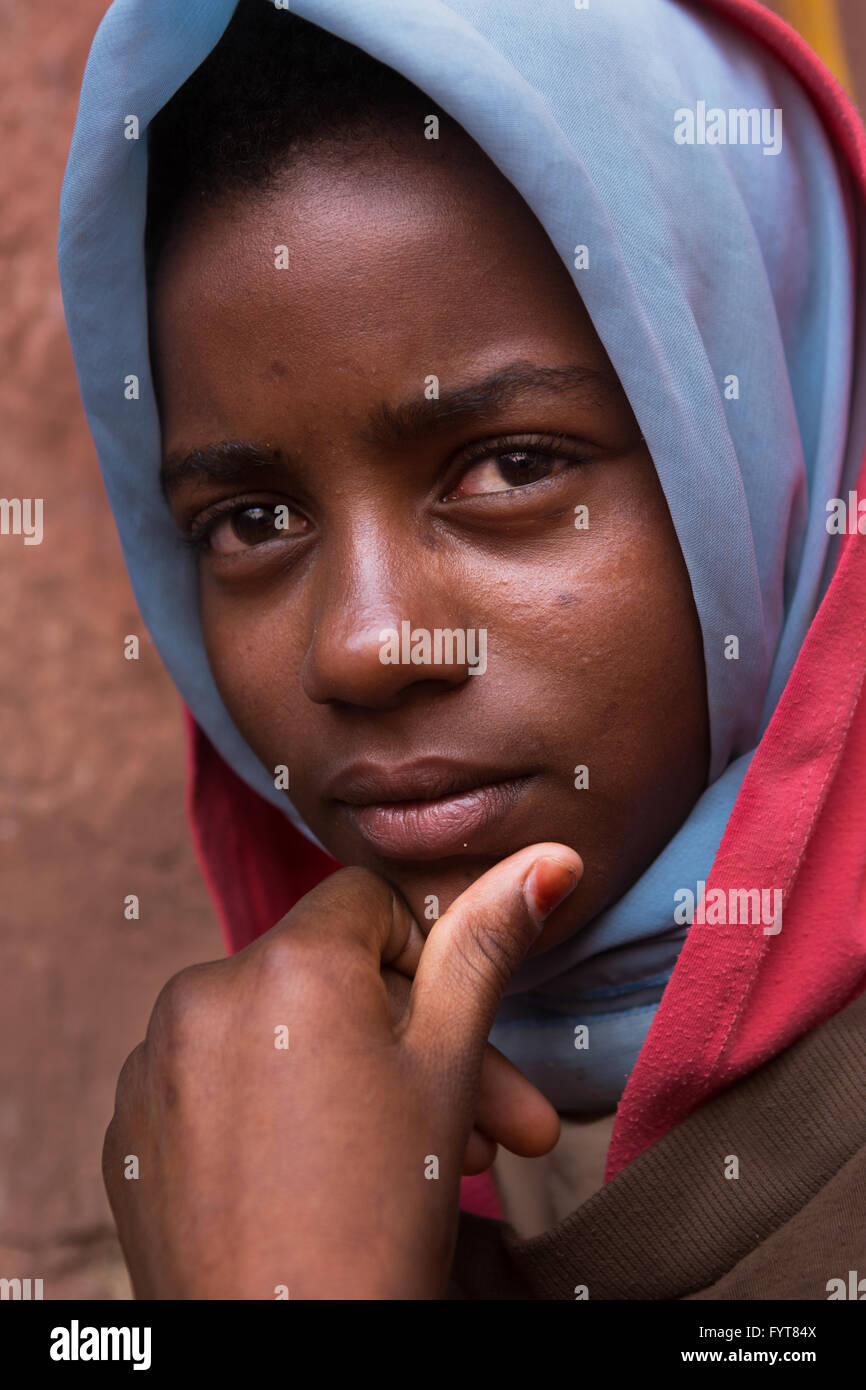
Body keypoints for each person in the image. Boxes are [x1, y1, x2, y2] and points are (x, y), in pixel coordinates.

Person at [58, 0, 866, 1299]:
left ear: (778, 441)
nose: (366, 645)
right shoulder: (258, 1143)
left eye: (511, 466)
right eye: (250, 519)